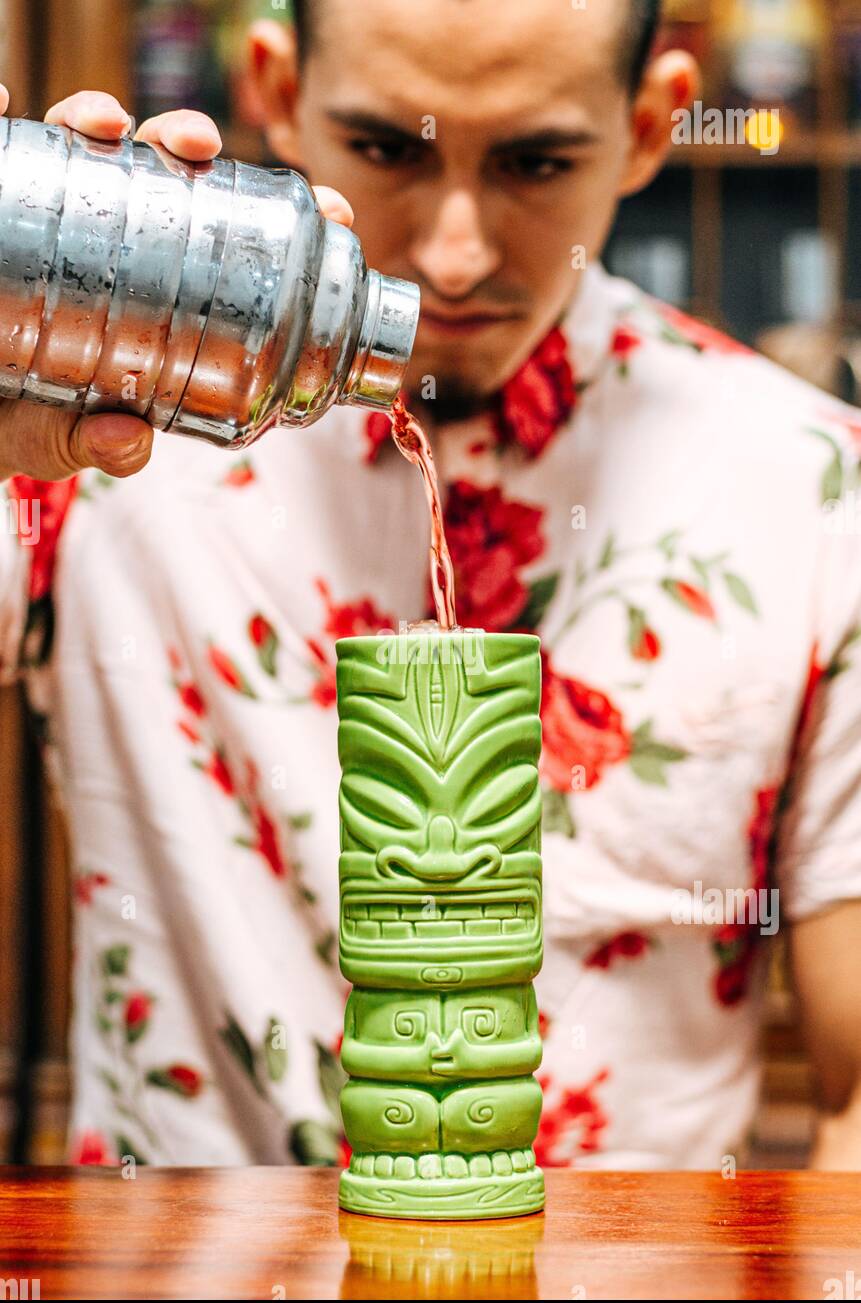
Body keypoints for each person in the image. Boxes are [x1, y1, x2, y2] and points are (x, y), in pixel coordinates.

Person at [2, 0, 860, 1171]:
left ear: (654, 122)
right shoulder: (98, 425)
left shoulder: (817, 491)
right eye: (390, 149)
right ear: (277, 92)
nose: (456, 254)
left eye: (535, 162)